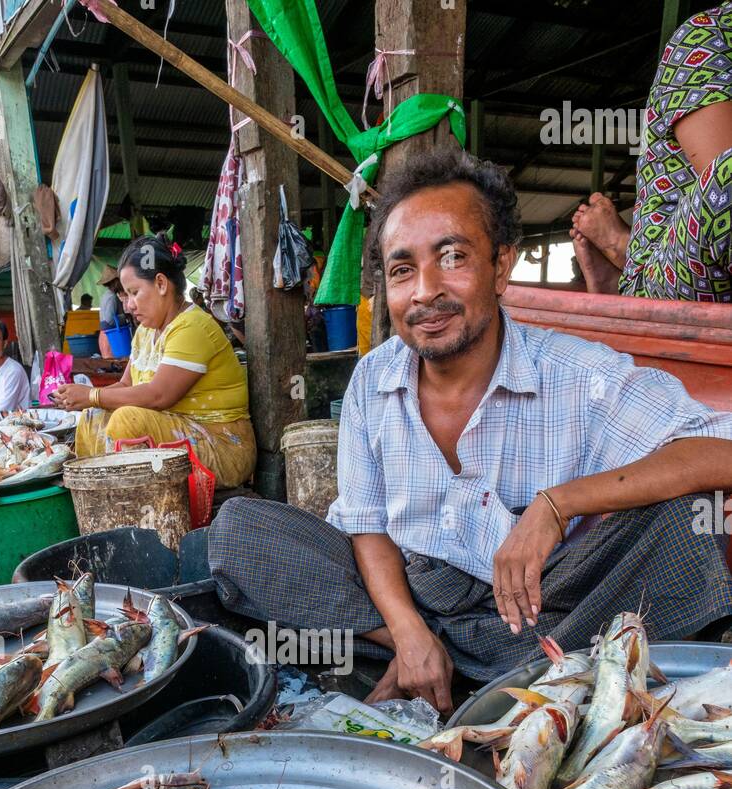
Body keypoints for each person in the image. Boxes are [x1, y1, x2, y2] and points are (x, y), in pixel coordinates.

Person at [209, 147, 732, 715]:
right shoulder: (371, 379)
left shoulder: (576, 374)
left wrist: (557, 505)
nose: (425, 290)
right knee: (239, 528)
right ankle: (426, 658)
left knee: (685, 520)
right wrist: (408, 632)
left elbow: (721, 448)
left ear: (501, 265)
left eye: (452, 257)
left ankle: (484, 672)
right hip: (406, 603)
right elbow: (367, 528)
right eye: (402, 269)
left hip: (542, 609)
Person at [54, 233, 256, 487]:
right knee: (93, 416)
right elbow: (127, 386)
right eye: (124, 296)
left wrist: (92, 394)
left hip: (223, 446)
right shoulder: (146, 331)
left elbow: (159, 395)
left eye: (134, 292)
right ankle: (99, 496)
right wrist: (84, 398)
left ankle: (127, 503)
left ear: (161, 284)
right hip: (180, 429)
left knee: (127, 420)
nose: (128, 306)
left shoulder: (193, 326)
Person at [571, 4, 732, 298]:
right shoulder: (708, 37)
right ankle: (626, 258)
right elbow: (721, 182)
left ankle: (621, 248)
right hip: (671, 273)